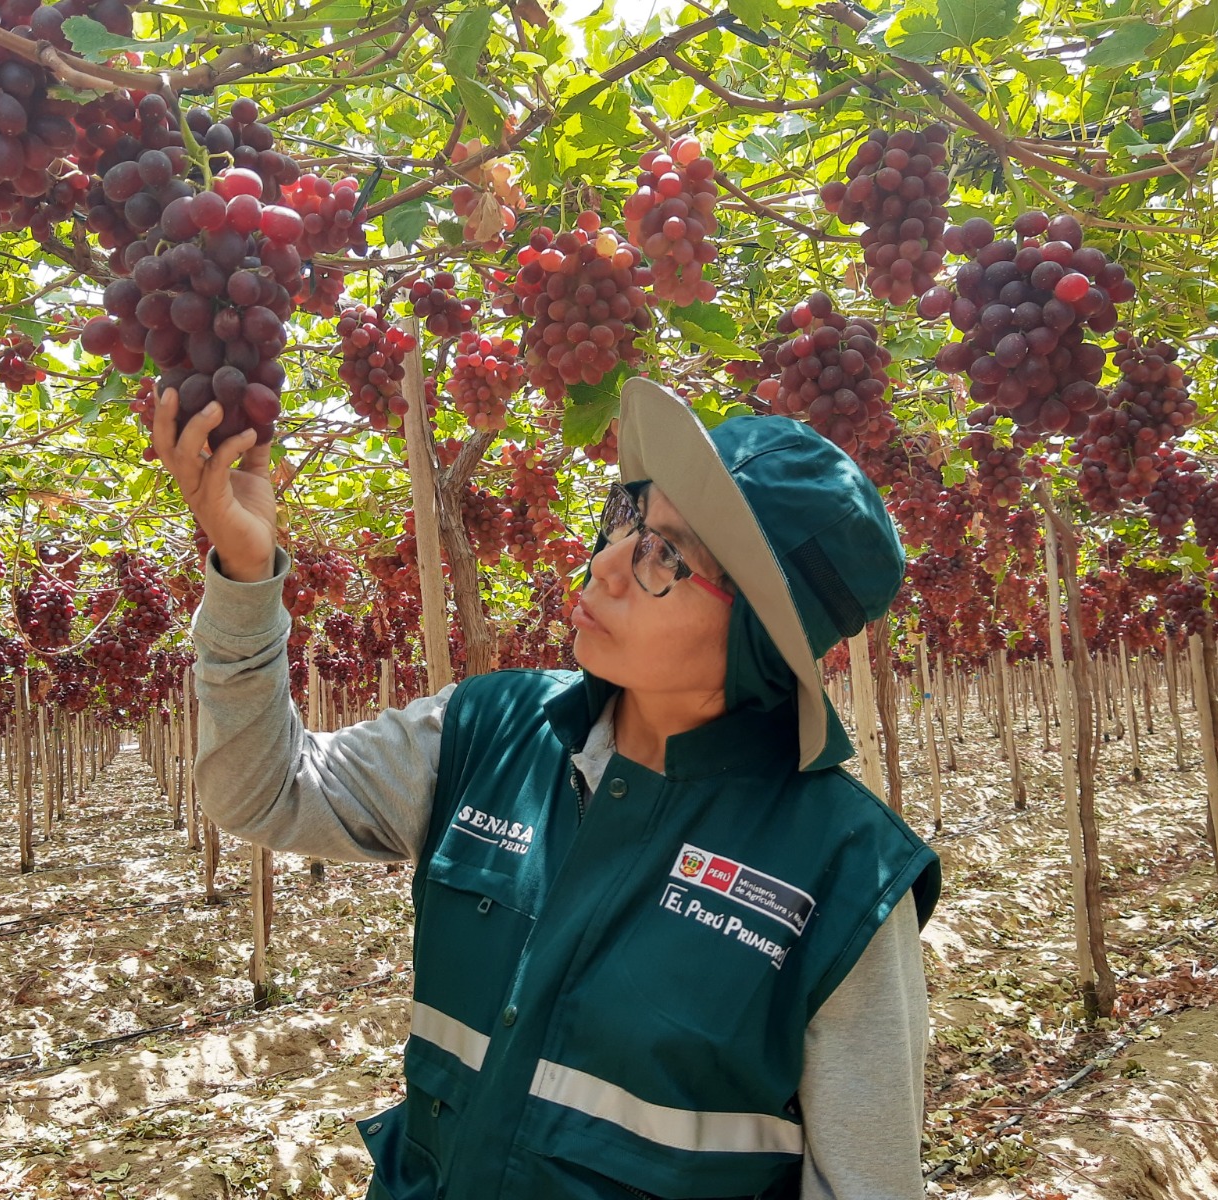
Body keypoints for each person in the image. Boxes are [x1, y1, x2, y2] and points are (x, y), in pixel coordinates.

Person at [153, 376, 942, 1200]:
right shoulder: (489, 731)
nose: (602, 566)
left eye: (665, 556)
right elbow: (265, 791)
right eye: (628, 520)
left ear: (762, 639)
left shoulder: (844, 877)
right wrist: (245, 577)